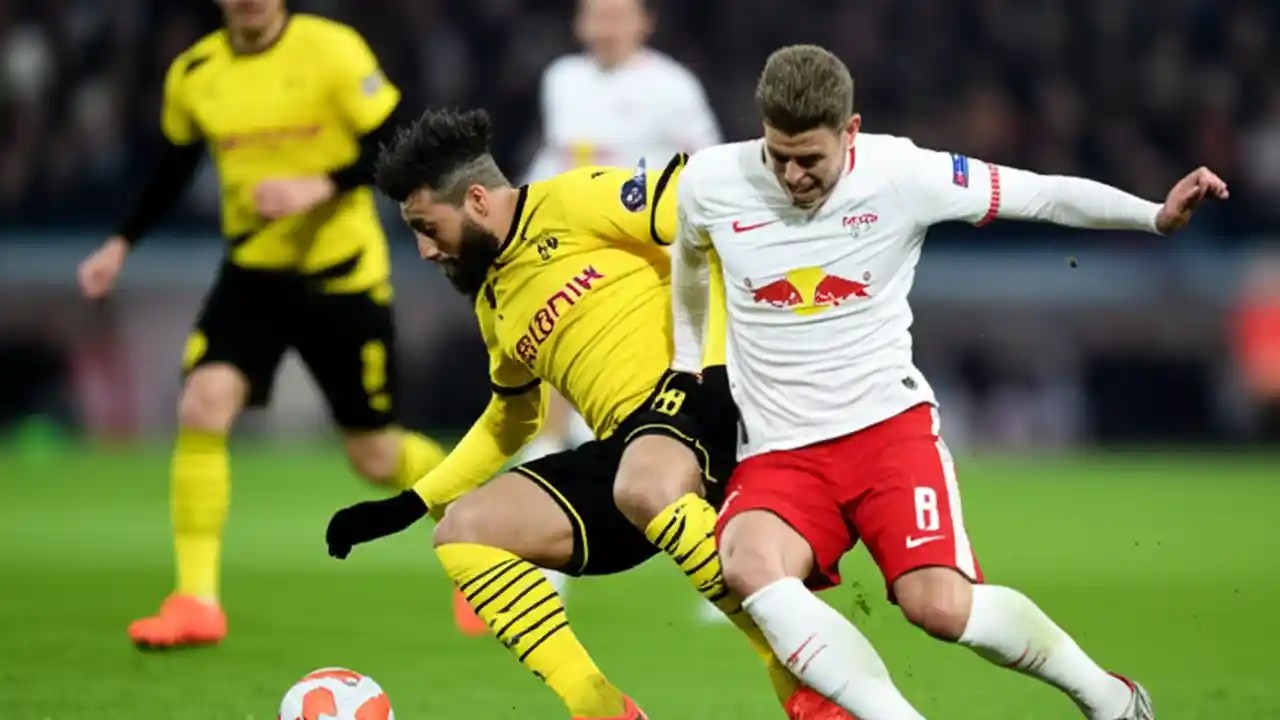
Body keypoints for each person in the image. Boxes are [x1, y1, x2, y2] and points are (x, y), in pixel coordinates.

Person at [671, 44, 1228, 720]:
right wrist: (686, 362)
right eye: (777, 154)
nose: (791, 174)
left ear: (850, 132)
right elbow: (691, 264)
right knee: (749, 564)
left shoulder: (902, 173)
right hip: (779, 452)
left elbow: (1042, 194)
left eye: (810, 159)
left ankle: (1109, 697)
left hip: (886, 434)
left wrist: (1152, 216)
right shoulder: (710, 180)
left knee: (936, 607)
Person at [324, 108, 847, 720]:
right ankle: (599, 707)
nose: (424, 249)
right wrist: (411, 502)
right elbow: (511, 420)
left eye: (427, 226)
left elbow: (703, 206)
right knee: (464, 531)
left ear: (474, 199)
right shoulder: (495, 302)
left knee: (646, 478)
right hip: (634, 450)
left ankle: (801, 680)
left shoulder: (575, 197)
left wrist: (713, 360)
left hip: (707, 397)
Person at [75, 0, 446, 650]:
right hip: (253, 274)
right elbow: (174, 166)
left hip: (342, 275)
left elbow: (398, 140)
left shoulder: (331, 50)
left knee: (376, 456)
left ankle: (473, 515)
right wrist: (121, 242)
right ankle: (196, 601)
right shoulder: (196, 72)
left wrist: (320, 185)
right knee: (202, 404)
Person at [442, 0, 723, 635]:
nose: (605, 26)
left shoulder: (672, 85)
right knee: (548, 397)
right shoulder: (562, 79)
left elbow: (704, 166)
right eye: (595, 15)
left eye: (617, 15)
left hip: (648, 267)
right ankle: (540, 567)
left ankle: (731, 559)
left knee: (693, 405)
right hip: (571, 256)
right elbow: (554, 164)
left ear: (644, 22)